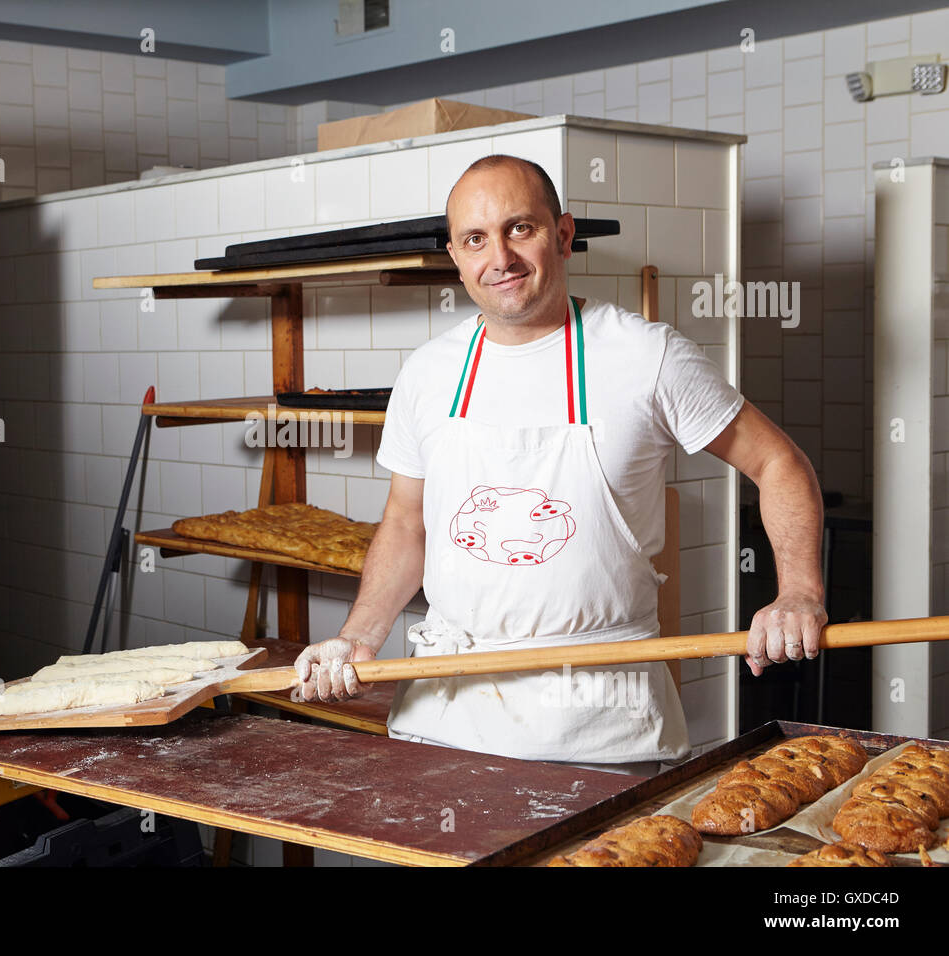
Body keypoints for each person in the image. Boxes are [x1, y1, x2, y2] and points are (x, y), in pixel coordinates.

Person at [293, 154, 826, 775]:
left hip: (597, 721)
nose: (501, 257)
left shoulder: (644, 355)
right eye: (475, 239)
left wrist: (798, 592)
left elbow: (778, 462)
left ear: (564, 235)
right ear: (456, 256)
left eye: (521, 228)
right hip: (448, 712)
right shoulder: (428, 373)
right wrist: (358, 638)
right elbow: (407, 523)